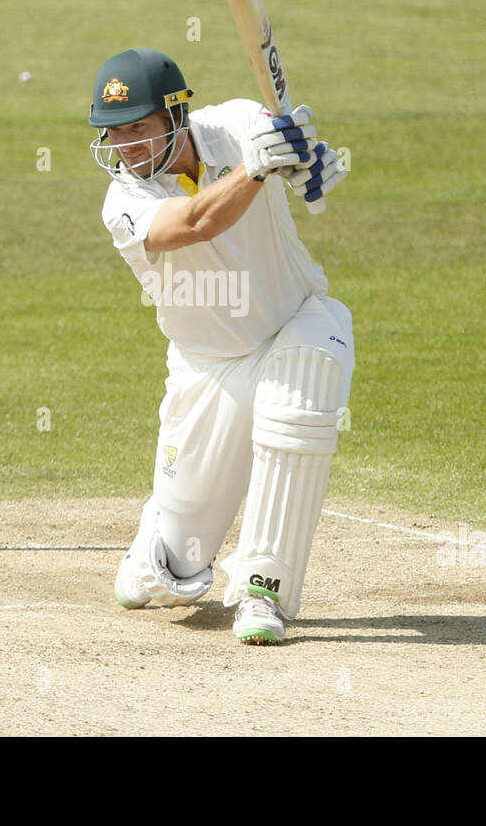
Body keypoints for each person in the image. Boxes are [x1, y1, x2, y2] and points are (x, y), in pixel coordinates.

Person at [89, 47, 353, 644]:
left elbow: (275, 138)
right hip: (206, 369)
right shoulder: (123, 202)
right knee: (172, 567)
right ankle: (158, 542)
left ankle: (263, 591)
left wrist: (306, 154)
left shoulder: (234, 123)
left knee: (305, 384)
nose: (125, 143)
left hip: (295, 323)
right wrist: (258, 170)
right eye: (113, 130)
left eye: (137, 125)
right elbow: (194, 225)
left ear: (176, 115)